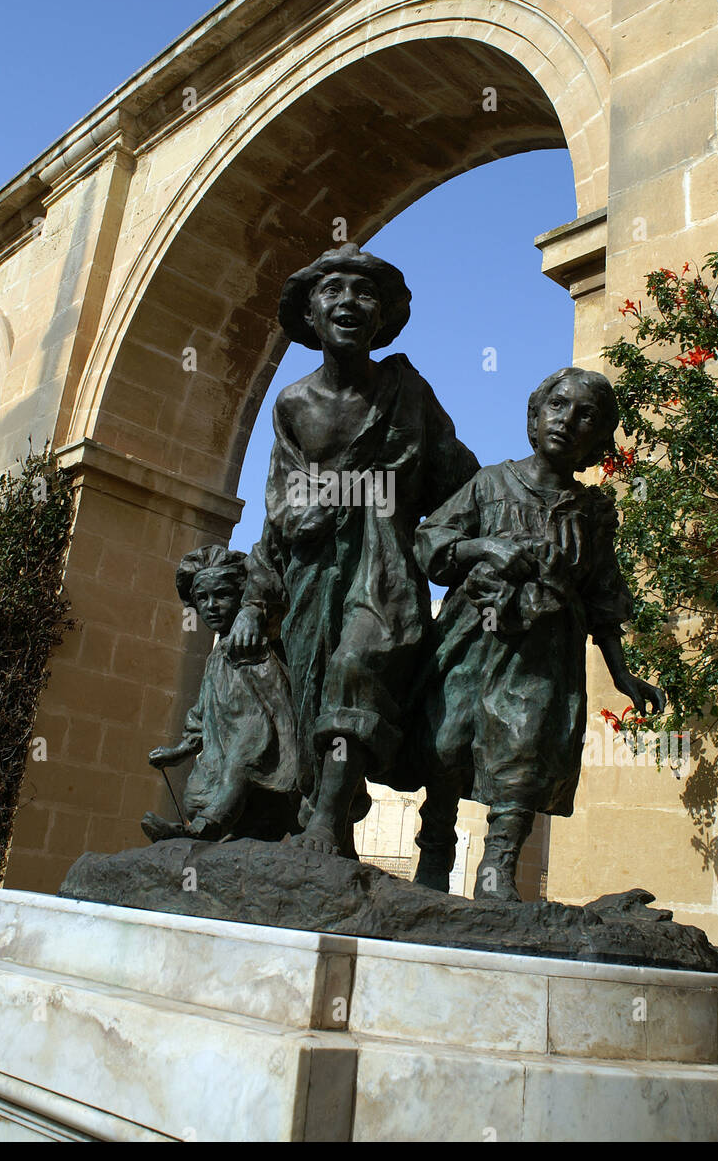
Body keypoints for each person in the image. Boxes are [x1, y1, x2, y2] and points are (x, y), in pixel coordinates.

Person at [229, 243, 479, 854]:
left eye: (364, 293)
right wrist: (255, 603)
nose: (348, 302)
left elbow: (462, 482)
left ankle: (323, 826)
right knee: (310, 688)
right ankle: (323, 824)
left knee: (356, 667)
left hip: (386, 569)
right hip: (314, 573)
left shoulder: (408, 393)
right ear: (309, 313)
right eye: (332, 290)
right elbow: (277, 507)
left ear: (383, 315)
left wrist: (471, 544)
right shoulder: (292, 405)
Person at [411, 366, 665, 900]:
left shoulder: (592, 512)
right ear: (535, 414)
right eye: (557, 405)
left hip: (545, 654)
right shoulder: (489, 483)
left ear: (598, 438)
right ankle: (434, 856)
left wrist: (624, 675)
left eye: (586, 416)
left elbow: (602, 597)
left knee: (524, 749)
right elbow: (432, 543)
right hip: (469, 641)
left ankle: (498, 867)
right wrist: (484, 548)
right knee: (446, 743)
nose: (568, 421)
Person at [142, 546, 300, 844]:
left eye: (223, 595)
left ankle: (202, 829)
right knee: (201, 787)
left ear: (242, 596)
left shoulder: (252, 640)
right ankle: (222, 832)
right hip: (223, 743)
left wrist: (256, 615)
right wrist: (179, 751)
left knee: (237, 770)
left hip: (259, 735)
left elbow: (277, 696)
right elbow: (201, 714)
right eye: (203, 598)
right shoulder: (215, 656)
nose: (211, 606)